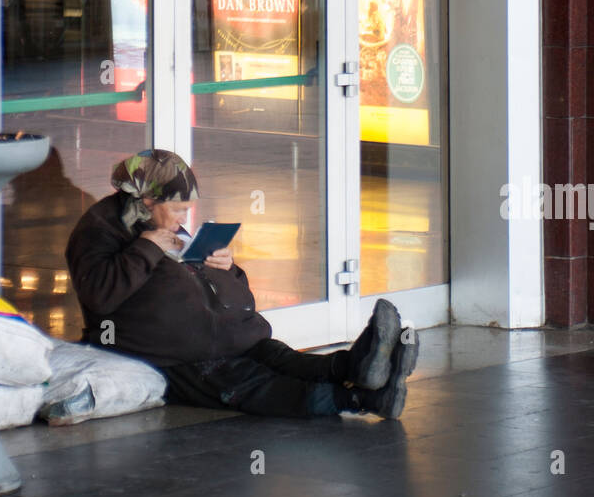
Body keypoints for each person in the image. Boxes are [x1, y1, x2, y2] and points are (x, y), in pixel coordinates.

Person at [65, 148, 419, 419]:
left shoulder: (161, 225)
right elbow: (99, 296)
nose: (183, 218)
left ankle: (357, 365)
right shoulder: (100, 229)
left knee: (279, 357)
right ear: (146, 200)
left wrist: (228, 268)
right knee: (256, 385)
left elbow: (208, 286)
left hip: (235, 336)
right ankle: (361, 398)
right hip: (178, 356)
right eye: (177, 210)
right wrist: (147, 247)